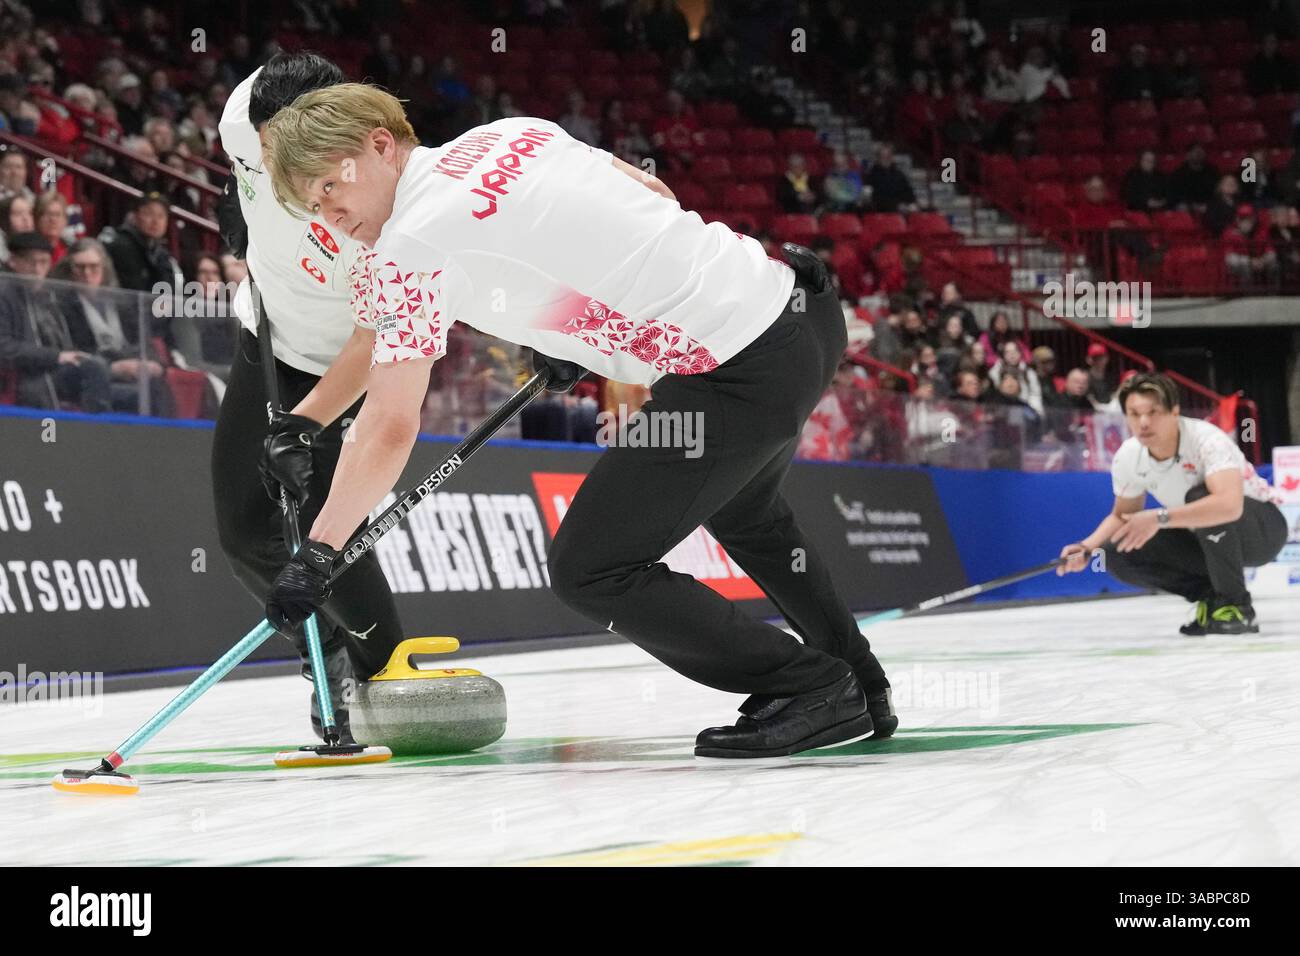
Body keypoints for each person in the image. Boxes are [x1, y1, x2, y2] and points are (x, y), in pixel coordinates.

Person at [260, 83, 897, 758]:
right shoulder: (510, 132)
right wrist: (575, 341)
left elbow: (389, 423)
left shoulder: (406, 250)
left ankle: (812, 687)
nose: (330, 215)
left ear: (380, 145)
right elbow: (652, 204)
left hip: (738, 369)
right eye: (313, 207)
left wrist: (320, 550)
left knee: (591, 568)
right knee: (749, 514)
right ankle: (858, 681)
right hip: (798, 308)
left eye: (332, 186)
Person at [214, 54, 405, 744]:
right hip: (263, 341)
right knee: (242, 528)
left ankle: (388, 676)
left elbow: (371, 342)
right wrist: (234, 205)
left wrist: (306, 420)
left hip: (339, 373)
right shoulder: (242, 116)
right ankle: (321, 650)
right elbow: (243, 173)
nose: (276, 169)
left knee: (335, 532)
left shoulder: (379, 208)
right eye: (265, 153)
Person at [1057, 373, 1286, 635]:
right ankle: (1211, 598)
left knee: (1202, 497)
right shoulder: (1129, 457)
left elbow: (1228, 506)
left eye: (1153, 412)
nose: (1143, 422)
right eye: (1134, 414)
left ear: (1174, 411)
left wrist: (1158, 518)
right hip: (1203, 537)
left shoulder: (1207, 440)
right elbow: (1122, 516)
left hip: (1262, 531)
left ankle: (1236, 606)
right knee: (1117, 551)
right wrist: (1086, 547)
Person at [0, 232, 113, 411]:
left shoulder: (49, 296)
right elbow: (4, 348)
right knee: (94, 369)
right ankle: (94, 435)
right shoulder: (5, 295)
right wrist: (55, 356)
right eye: (31, 262)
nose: (37, 270)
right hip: (28, 377)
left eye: (43, 262)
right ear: (13, 262)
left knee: (134, 391)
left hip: (52, 370)